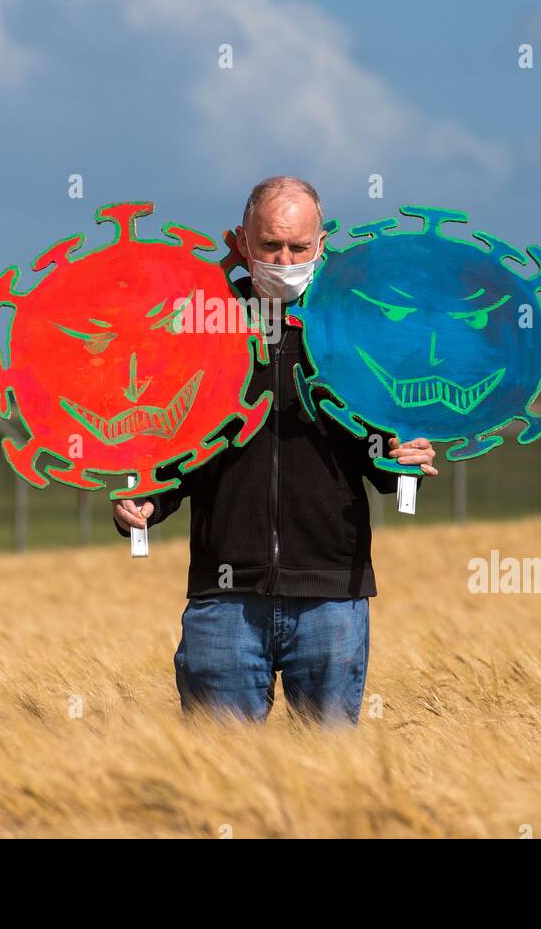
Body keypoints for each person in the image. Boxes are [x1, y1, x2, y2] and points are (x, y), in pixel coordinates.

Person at [113, 176, 438, 726]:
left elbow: (382, 455)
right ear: (240, 242)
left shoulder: (357, 330)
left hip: (332, 598)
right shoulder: (197, 328)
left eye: (298, 247)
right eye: (270, 245)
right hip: (225, 597)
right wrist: (146, 504)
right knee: (220, 779)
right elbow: (174, 444)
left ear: (321, 246)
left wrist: (405, 458)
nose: (284, 258)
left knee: (332, 781)